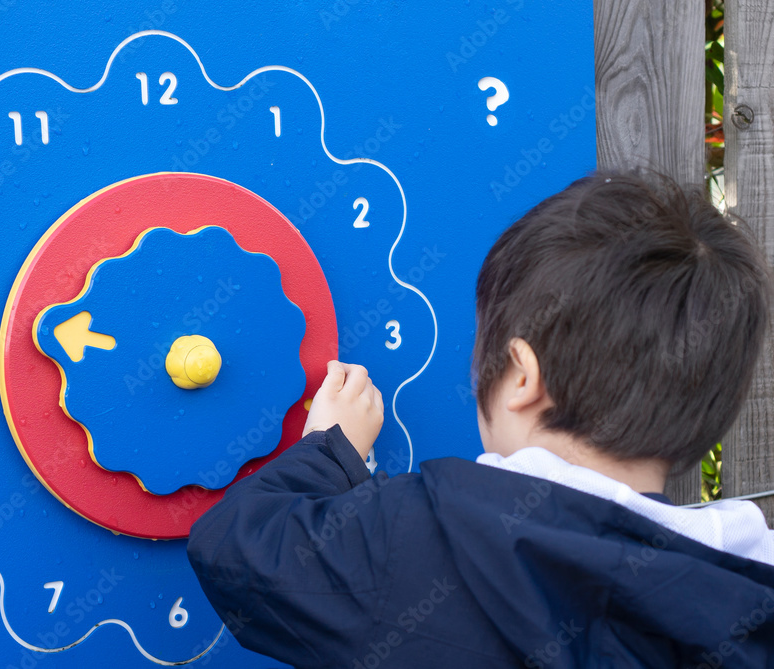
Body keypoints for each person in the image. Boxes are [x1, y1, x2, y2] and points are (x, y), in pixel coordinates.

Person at [186, 172, 774, 668]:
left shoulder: (422, 541)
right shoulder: (745, 598)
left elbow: (237, 547)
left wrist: (329, 449)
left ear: (521, 377)